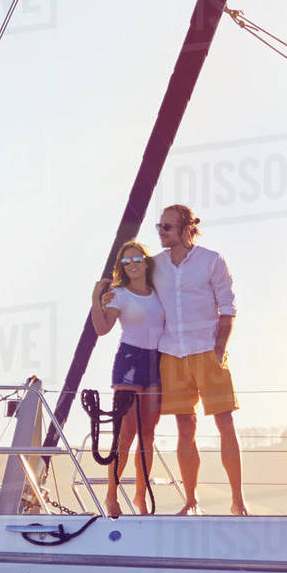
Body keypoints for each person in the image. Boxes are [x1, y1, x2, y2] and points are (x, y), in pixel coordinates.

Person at [152, 204, 249, 516]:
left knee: (225, 422)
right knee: (184, 428)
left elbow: (228, 307)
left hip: (207, 351)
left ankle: (238, 500)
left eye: (166, 227)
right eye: (159, 226)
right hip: (171, 354)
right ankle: (191, 501)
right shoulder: (155, 265)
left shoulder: (211, 260)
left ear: (185, 229)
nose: (161, 232)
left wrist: (219, 348)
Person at [91, 241, 164, 518]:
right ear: (122, 267)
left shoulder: (159, 293)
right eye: (125, 261)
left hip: (157, 362)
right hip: (130, 362)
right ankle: (111, 494)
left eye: (137, 258)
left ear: (146, 262)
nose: (132, 263)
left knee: (148, 435)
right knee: (127, 433)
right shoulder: (119, 295)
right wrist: (95, 301)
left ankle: (140, 496)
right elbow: (101, 328)